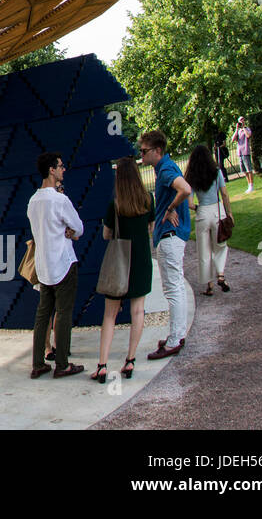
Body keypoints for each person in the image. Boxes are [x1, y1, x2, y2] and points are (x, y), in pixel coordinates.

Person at [92, 157, 153, 384]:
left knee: (110, 314)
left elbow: (107, 235)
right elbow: (150, 228)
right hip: (141, 261)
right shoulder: (148, 200)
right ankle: (130, 360)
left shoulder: (114, 205)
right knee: (138, 311)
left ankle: (102, 365)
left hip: (119, 262)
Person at [27, 151, 84, 379]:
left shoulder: (33, 201)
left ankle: (38, 362)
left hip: (43, 265)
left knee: (43, 314)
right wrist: (70, 232)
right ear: (52, 170)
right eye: (60, 166)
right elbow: (78, 227)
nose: (63, 169)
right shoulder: (60, 200)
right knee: (63, 313)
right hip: (63, 262)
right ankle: (62, 364)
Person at [139, 130, 192, 360]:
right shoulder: (166, 167)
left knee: (172, 289)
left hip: (169, 236)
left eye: (144, 151)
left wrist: (170, 209)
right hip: (173, 236)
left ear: (157, 151)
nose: (141, 155)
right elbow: (185, 192)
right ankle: (176, 334)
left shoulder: (166, 170)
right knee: (176, 287)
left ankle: (174, 339)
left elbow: (185, 189)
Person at [185, 144, 233, 297]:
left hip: (203, 213)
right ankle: (221, 274)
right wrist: (229, 213)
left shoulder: (192, 176)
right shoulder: (216, 171)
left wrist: (198, 208)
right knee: (220, 245)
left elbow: (190, 204)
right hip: (218, 211)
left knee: (204, 251)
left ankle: (210, 285)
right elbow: (224, 194)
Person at [233, 117, 255, 193]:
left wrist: (243, 127)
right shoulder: (238, 131)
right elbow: (233, 139)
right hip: (240, 153)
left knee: (249, 170)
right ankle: (249, 184)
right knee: (244, 171)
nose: (241, 121)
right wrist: (236, 129)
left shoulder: (247, 129)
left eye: (242, 120)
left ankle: (251, 185)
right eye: (240, 120)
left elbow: (248, 135)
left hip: (245, 151)